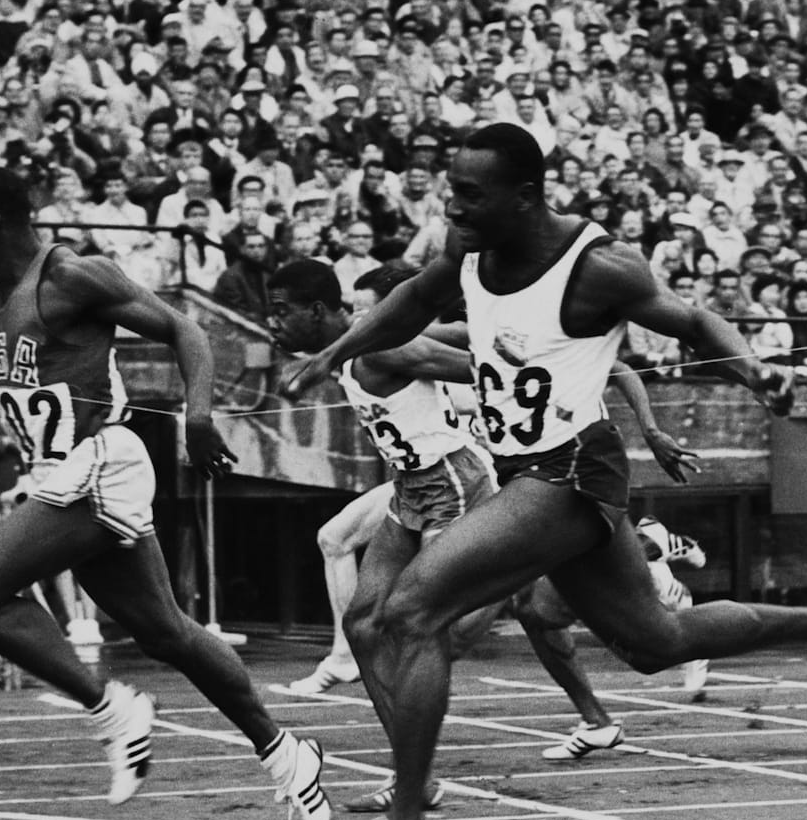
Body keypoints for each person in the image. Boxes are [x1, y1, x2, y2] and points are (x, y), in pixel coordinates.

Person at [285, 124, 807, 820]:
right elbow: (416, 298)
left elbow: (690, 321)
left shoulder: (598, 268)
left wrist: (754, 370)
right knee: (656, 642)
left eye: (471, 197)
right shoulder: (471, 249)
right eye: (451, 192)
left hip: (571, 472)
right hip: (528, 473)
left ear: (525, 198)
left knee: (407, 612)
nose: (454, 208)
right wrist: (330, 353)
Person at [0, 167, 333, 820]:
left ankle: (112, 709)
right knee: (166, 633)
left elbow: (186, 332)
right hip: (59, 471)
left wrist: (198, 416)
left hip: (99, 461)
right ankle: (287, 754)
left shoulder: (69, 276)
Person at [270, 263, 708, 767]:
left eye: (375, 309)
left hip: (475, 477)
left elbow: (611, 368)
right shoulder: (389, 342)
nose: (370, 317)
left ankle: (540, 572)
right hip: (418, 483)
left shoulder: (407, 346)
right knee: (375, 617)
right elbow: (457, 346)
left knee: (446, 626)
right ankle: (592, 717)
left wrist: (649, 429)